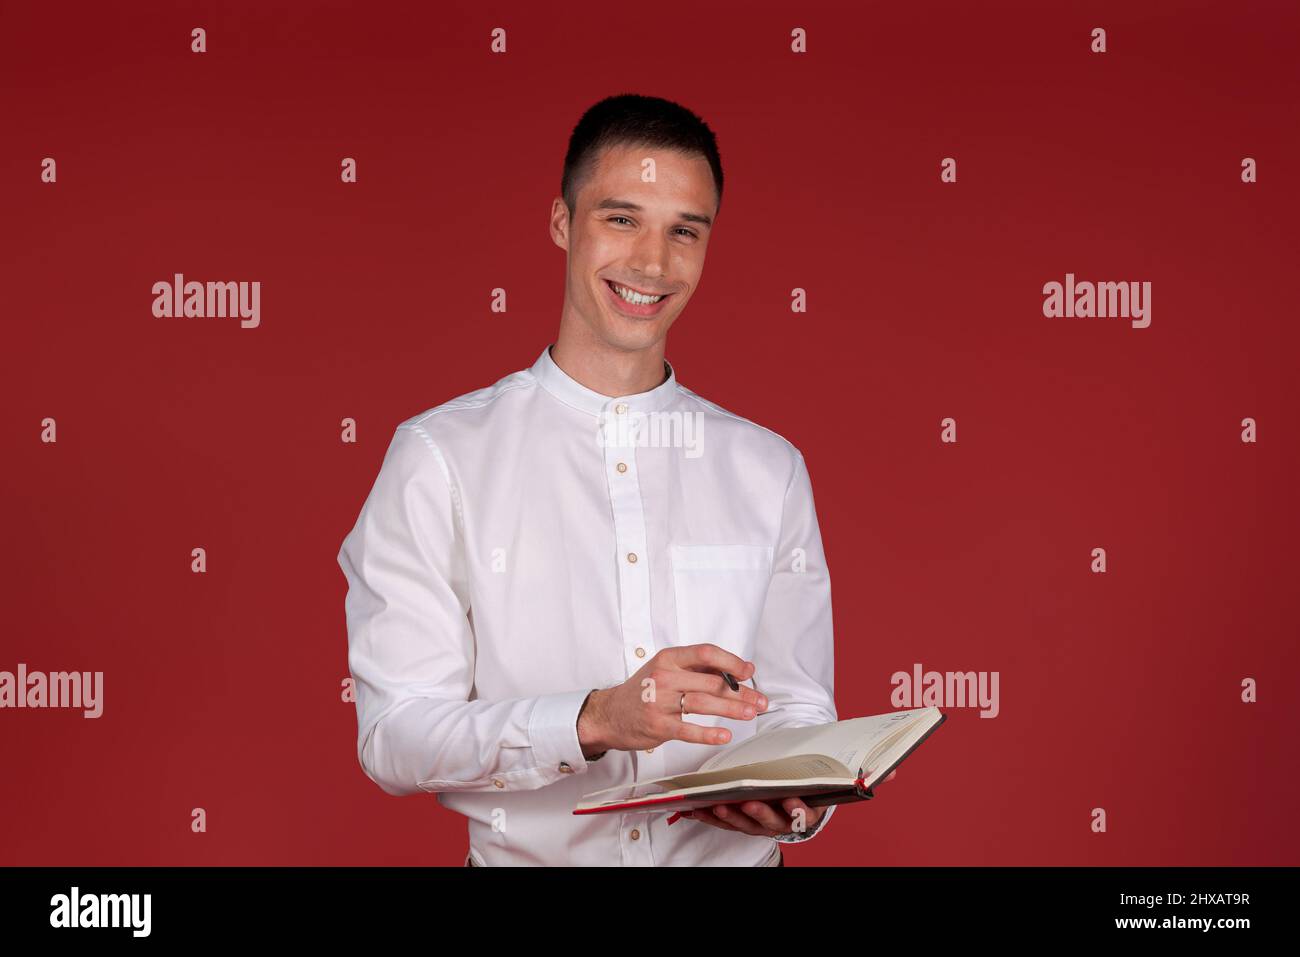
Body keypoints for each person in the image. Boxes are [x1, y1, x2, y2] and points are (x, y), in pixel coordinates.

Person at [337, 92, 891, 867]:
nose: (652, 264)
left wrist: (794, 803)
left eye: (684, 231)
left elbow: (798, 707)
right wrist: (592, 719)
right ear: (563, 222)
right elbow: (394, 734)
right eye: (621, 218)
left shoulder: (769, 468)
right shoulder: (439, 457)